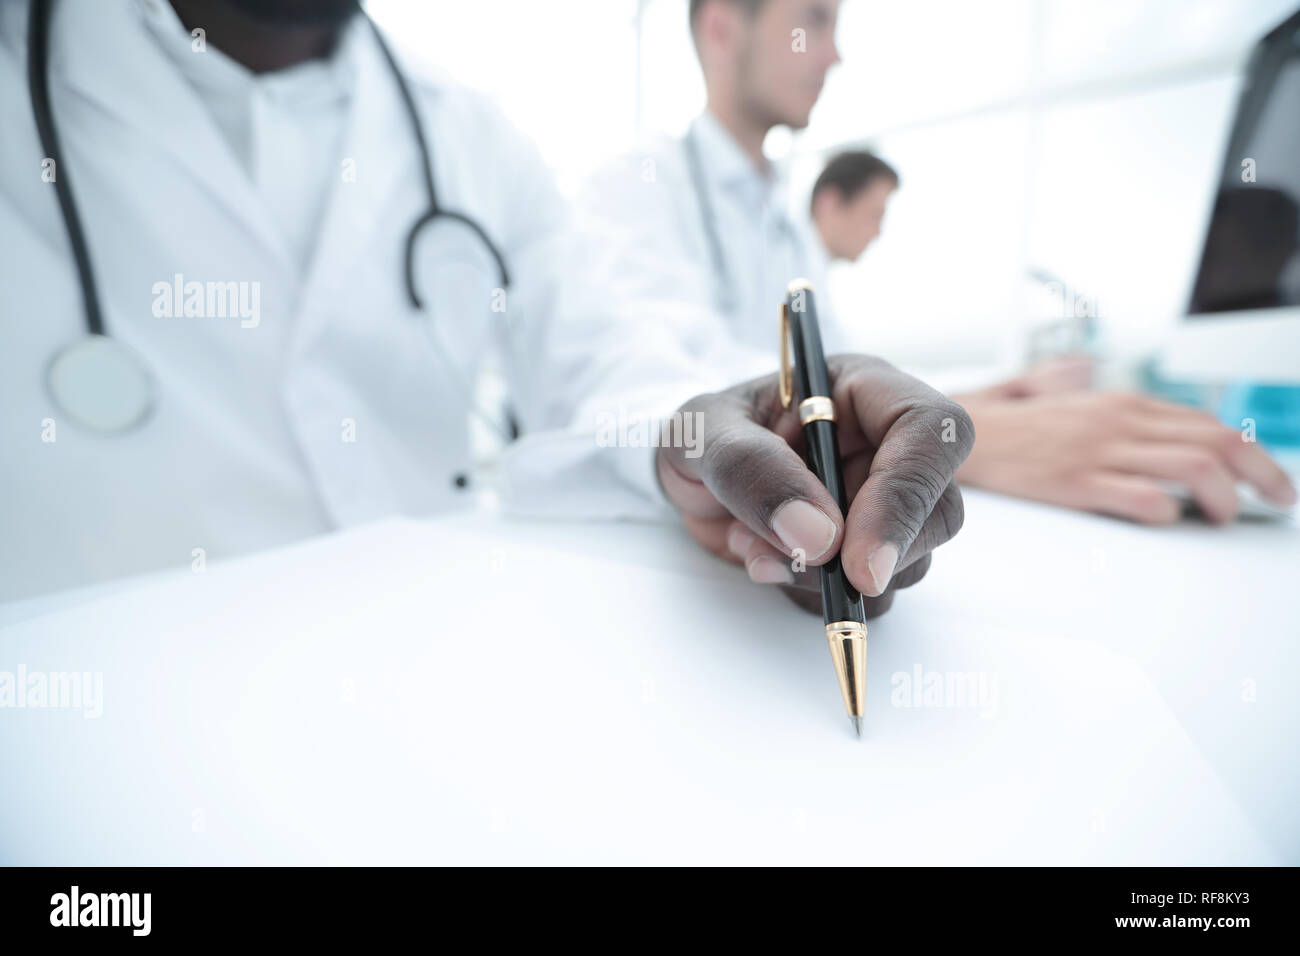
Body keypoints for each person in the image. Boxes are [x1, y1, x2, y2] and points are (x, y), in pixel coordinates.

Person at [0, 0, 972, 614]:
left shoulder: (467, 132)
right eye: (816, 19)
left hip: (427, 677)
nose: (834, 53)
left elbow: (603, 358)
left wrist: (717, 426)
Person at [585, 0, 1296, 525]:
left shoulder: (784, 222)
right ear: (720, 26)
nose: (833, 54)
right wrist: (963, 441)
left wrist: (977, 398)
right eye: (815, 20)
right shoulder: (638, 182)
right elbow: (663, 387)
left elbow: (837, 376)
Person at [809, 149, 898, 264]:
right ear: (830, 203)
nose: (877, 232)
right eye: (874, 215)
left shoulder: (814, 269)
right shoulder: (783, 266)